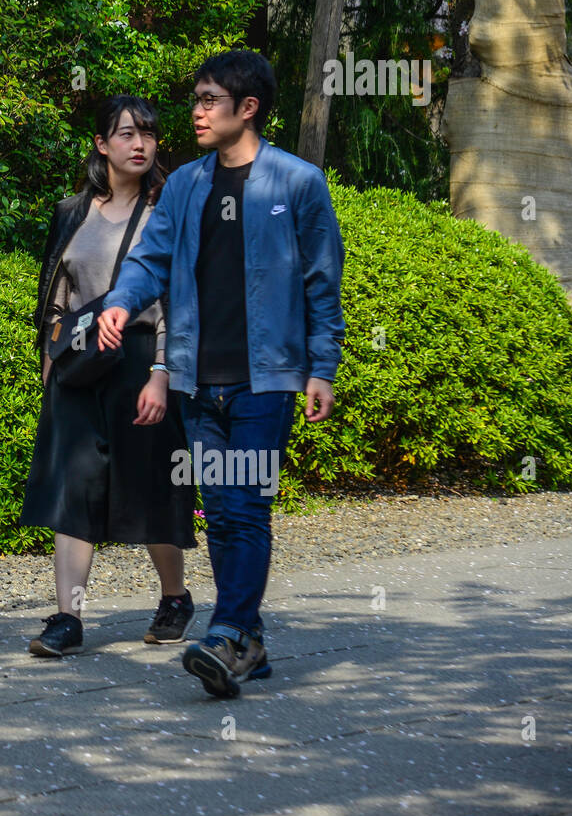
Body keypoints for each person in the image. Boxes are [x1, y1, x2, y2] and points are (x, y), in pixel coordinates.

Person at [97, 50, 345, 697]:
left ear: (248, 108)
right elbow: (152, 257)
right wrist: (122, 299)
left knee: (244, 506)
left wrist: (323, 366)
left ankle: (228, 629)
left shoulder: (297, 183)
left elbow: (323, 281)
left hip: (267, 379)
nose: (197, 111)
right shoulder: (185, 186)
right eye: (197, 99)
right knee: (225, 515)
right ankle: (248, 643)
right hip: (197, 381)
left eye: (210, 100)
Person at [23, 95, 198, 658]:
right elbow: (56, 291)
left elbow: (177, 300)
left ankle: (174, 597)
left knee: (151, 485)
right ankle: (67, 617)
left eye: (147, 134)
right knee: (73, 489)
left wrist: (161, 371)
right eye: (126, 134)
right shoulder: (72, 211)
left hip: (141, 360)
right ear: (102, 144)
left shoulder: (168, 212)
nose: (139, 144)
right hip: (78, 366)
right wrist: (50, 357)